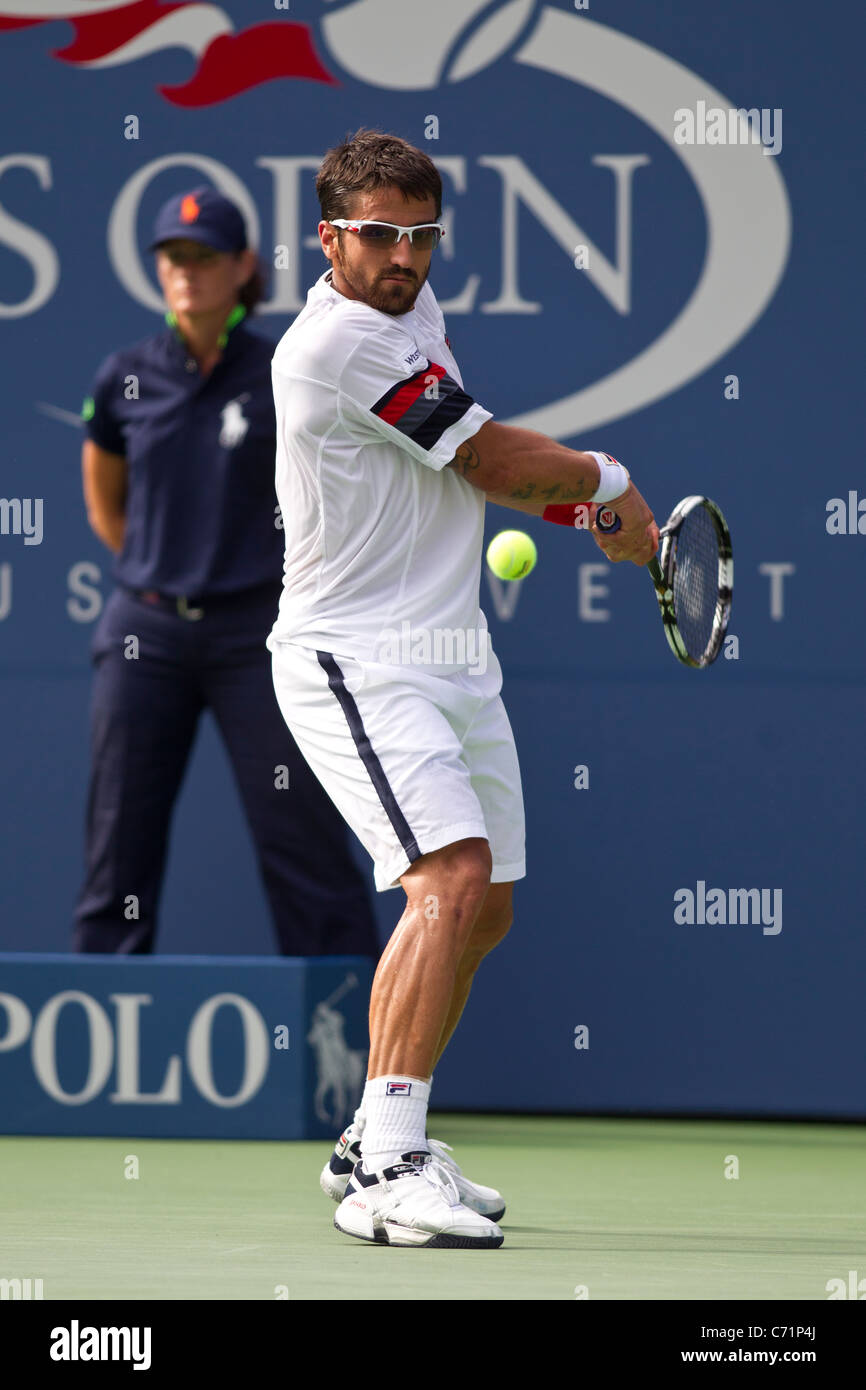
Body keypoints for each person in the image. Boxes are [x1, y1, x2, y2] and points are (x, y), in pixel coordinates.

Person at [268, 130, 658, 1248]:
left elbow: (451, 461)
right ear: (330, 235)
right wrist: (606, 484)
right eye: (379, 235)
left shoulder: (408, 316)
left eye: (420, 234)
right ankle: (390, 1162)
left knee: (482, 907)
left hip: (450, 654)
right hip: (355, 655)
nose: (401, 256)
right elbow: (487, 461)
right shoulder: (336, 343)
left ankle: (369, 1135)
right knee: (447, 874)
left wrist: (572, 511)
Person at [74, 186, 378, 958]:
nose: (186, 272)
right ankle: (104, 1035)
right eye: (173, 257)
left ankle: (345, 1057)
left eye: (204, 256)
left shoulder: (287, 368)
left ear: (243, 267)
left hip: (262, 637)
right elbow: (108, 506)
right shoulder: (124, 377)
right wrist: (164, 571)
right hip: (146, 633)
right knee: (118, 849)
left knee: (305, 845)